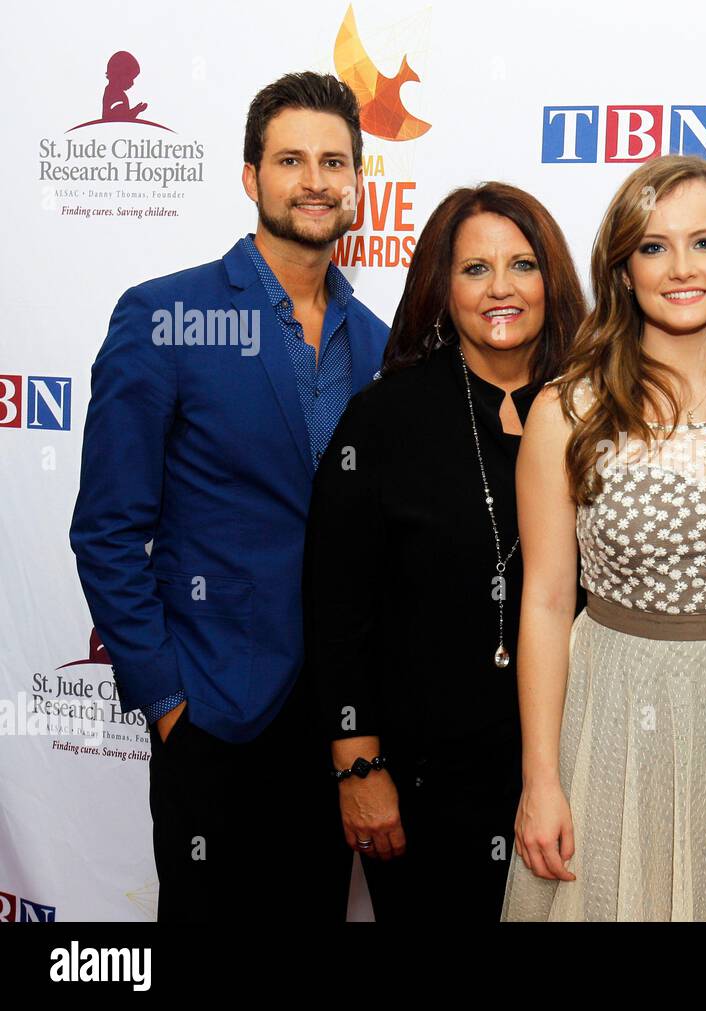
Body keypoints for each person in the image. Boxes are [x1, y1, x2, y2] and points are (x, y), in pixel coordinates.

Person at [69, 71, 388, 922]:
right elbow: (105, 530)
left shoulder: (379, 341)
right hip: (213, 715)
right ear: (251, 177)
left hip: (340, 732)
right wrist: (169, 702)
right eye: (291, 160)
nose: (314, 180)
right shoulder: (165, 316)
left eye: (333, 161)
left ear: (359, 180)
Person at [500, 155, 706, 921]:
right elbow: (544, 601)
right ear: (622, 268)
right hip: (613, 705)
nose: (682, 268)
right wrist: (540, 777)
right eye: (653, 246)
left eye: (705, 242)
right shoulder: (565, 411)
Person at [303, 182, 586, 921]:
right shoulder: (384, 418)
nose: (501, 288)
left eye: (522, 265)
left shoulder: (601, 413)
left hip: (578, 764)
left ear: (551, 280)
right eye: (474, 269)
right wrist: (356, 763)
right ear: (441, 283)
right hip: (424, 782)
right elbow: (336, 607)